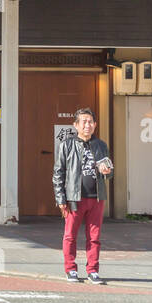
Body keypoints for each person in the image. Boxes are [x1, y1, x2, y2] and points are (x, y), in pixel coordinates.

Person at [54, 108, 113, 285]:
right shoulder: (67, 145)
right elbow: (58, 173)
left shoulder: (101, 145)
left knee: (94, 237)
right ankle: (70, 269)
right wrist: (61, 199)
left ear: (95, 124)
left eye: (90, 122)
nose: (87, 125)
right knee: (70, 236)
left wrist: (108, 172)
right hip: (74, 198)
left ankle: (93, 270)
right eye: (84, 122)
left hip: (97, 197)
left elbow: (108, 172)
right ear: (76, 125)